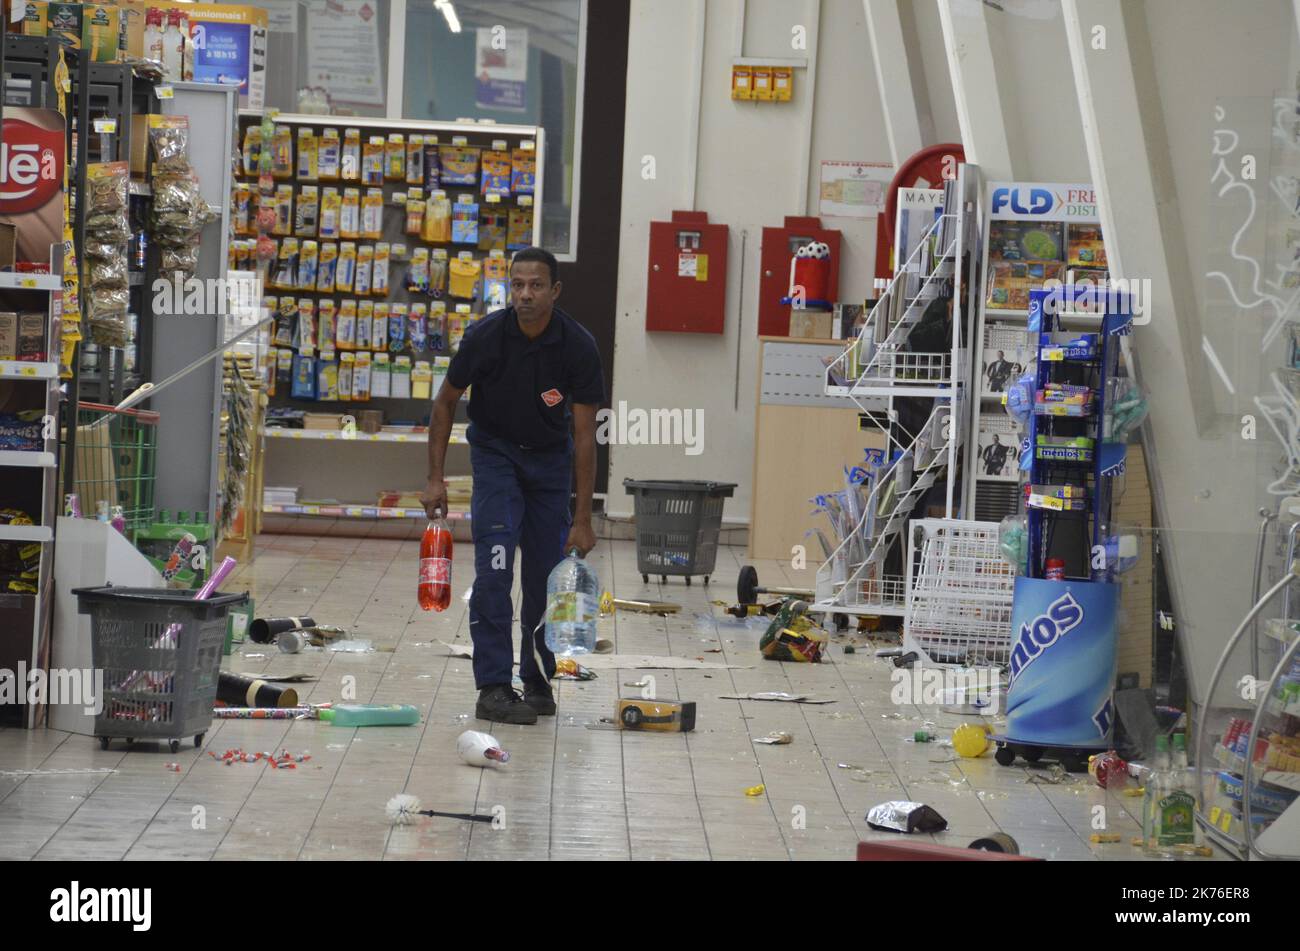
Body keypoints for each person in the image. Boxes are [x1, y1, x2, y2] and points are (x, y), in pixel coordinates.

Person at [422, 247, 605, 725]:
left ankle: (538, 679)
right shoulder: (485, 336)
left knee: (545, 577)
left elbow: (585, 438)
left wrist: (583, 519)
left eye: (536, 285)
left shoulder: (577, 346)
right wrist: (434, 478)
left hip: (549, 465)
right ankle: (494, 687)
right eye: (517, 284)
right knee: (495, 570)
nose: (525, 294)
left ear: (555, 291)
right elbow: (444, 405)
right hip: (496, 458)